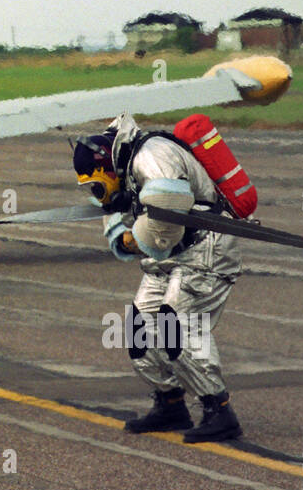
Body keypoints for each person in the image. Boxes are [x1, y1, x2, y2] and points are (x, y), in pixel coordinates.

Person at [73, 112, 243, 443]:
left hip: (204, 250)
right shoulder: (124, 168)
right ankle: (170, 403)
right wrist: (122, 228)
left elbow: (166, 215)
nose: (97, 194)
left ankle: (219, 410)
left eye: (96, 184)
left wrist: (131, 239)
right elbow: (123, 213)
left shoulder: (152, 157)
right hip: (170, 256)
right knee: (139, 326)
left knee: (175, 324)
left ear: (105, 169)